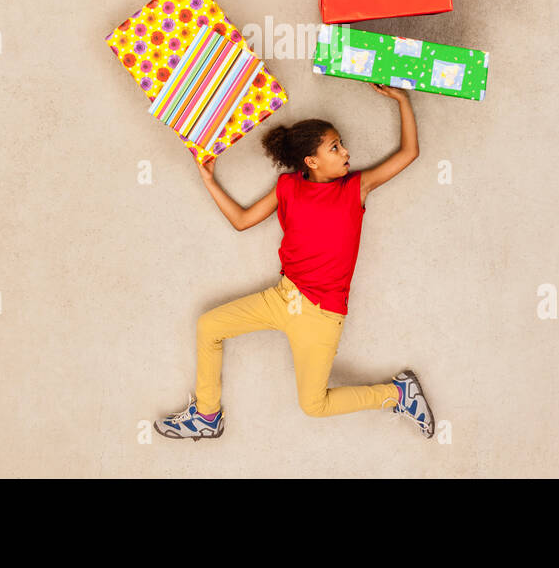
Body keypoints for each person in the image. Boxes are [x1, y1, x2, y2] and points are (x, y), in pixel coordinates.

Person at [154, 84, 434, 440]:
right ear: (311, 161)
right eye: (335, 147)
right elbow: (241, 220)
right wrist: (208, 181)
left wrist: (402, 100)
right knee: (209, 326)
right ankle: (207, 416)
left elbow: (410, 152)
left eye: (342, 144)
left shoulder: (355, 188)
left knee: (313, 405)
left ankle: (398, 394)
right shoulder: (288, 186)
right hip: (283, 297)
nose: (346, 151)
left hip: (320, 315)